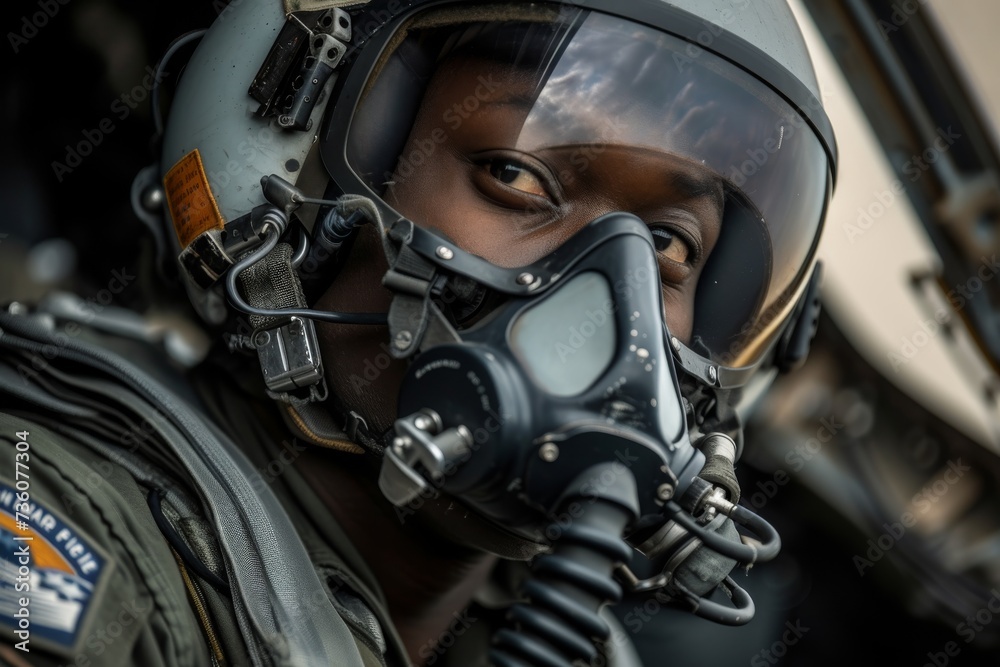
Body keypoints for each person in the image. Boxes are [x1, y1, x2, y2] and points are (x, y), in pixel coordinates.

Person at [0, 0, 837, 665]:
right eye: (514, 173)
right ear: (296, 178)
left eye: (668, 244)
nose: (613, 296)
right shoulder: (58, 535)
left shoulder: (578, 645)